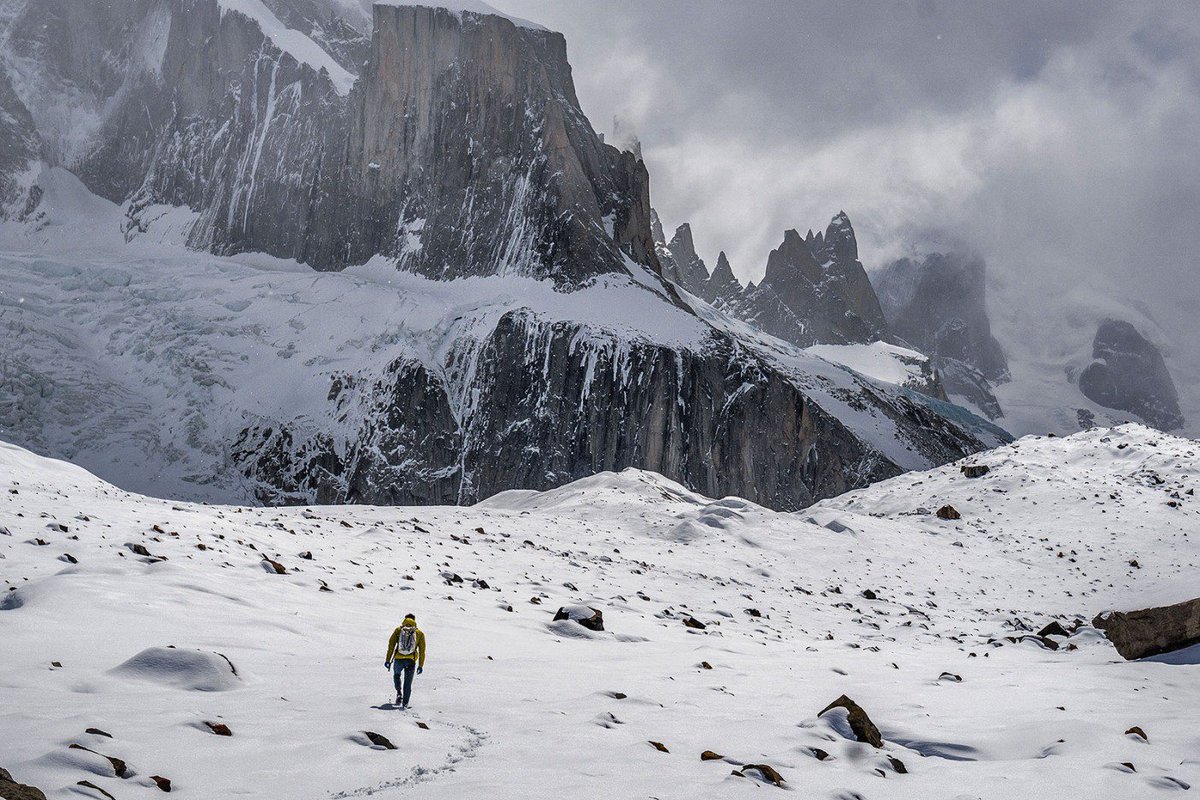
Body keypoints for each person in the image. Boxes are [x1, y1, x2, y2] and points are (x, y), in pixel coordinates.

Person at [384, 613, 426, 708]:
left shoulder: (399, 630)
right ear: (414, 621)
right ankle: (405, 704)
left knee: (397, 675)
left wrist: (387, 659)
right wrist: (420, 665)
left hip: (398, 659)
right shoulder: (419, 633)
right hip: (411, 661)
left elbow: (391, 645)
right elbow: (422, 651)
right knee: (408, 683)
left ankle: (399, 692)